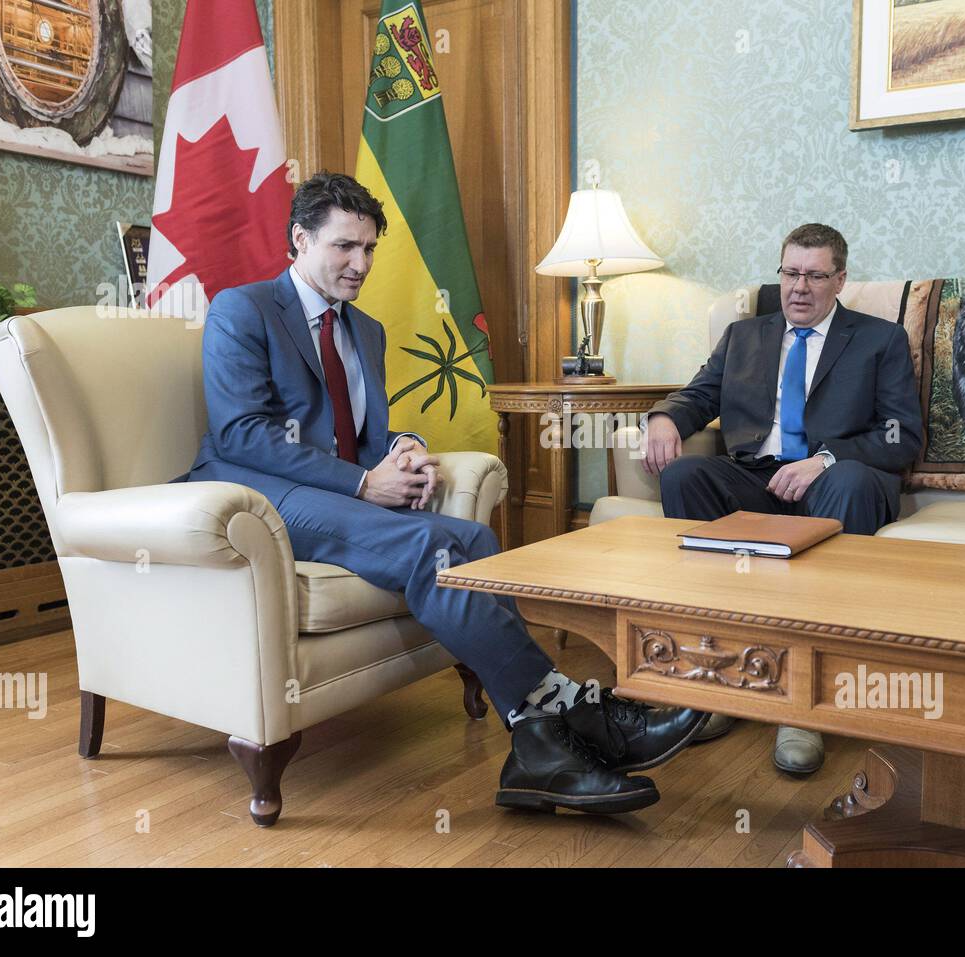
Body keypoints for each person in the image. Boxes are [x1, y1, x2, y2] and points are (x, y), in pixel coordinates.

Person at [187, 171, 707, 813]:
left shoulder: (365, 329)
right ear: (300, 239)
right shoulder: (244, 309)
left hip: (331, 493)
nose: (361, 263)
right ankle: (576, 718)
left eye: (370, 248)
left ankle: (536, 747)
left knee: (477, 538)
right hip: (254, 498)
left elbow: (363, 430)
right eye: (344, 247)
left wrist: (401, 449)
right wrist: (362, 481)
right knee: (432, 545)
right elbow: (241, 434)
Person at [640, 223, 922, 774]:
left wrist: (825, 459)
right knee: (686, 476)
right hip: (757, 478)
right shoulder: (745, 336)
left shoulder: (878, 340)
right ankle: (722, 673)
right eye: (791, 273)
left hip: (836, 478)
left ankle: (805, 704)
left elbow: (901, 436)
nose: (800, 287)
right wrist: (664, 417)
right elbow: (698, 395)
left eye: (815, 276)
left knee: (851, 481)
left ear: (839, 280)